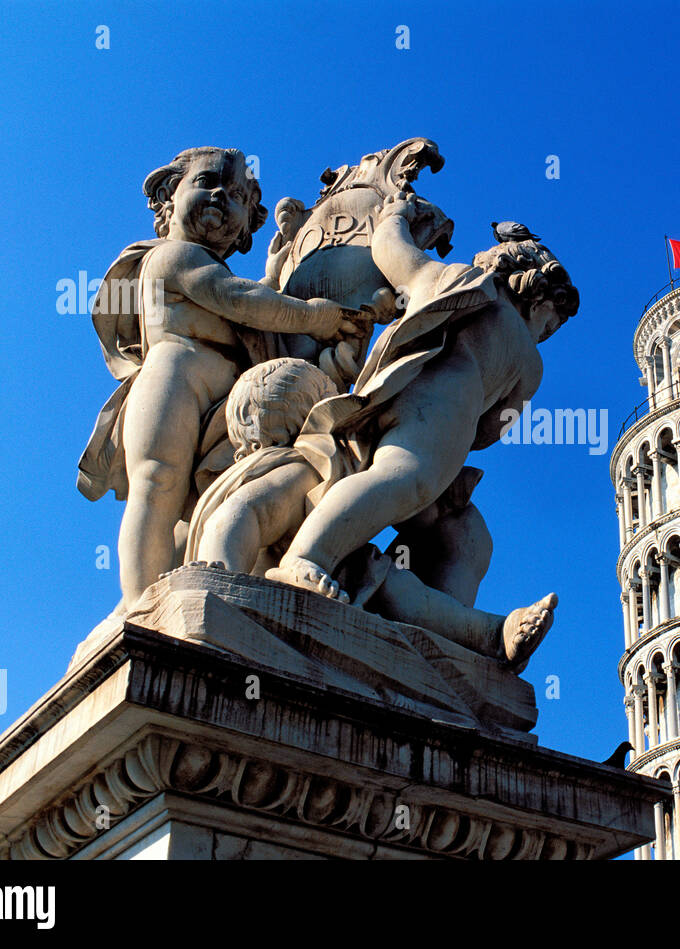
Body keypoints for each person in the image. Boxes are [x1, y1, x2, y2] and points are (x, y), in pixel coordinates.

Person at [78, 146, 367, 610]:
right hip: (173, 381)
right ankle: (137, 604)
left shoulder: (211, 265)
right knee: (158, 484)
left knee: (190, 511)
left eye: (235, 195)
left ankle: (183, 583)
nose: (220, 196)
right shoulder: (173, 257)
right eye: (207, 182)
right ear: (169, 196)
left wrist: (274, 277)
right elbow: (238, 300)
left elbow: (253, 309)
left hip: (223, 405)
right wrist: (313, 318)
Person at [265, 193, 580, 603]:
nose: (545, 335)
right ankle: (307, 558)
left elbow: (390, 250)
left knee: (460, 529)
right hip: (447, 415)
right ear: (537, 294)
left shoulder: (451, 280)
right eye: (549, 326)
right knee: (400, 481)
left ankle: (430, 615)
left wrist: (397, 212)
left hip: (394, 389)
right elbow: (488, 431)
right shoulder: (530, 360)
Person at [186, 357, 555, 670]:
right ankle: (488, 633)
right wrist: (220, 583)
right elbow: (240, 515)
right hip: (289, 577)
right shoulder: (298, 466)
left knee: (404, 593)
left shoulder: (318, 467)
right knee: (405, 595)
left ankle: (493, 634)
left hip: (344, 573)